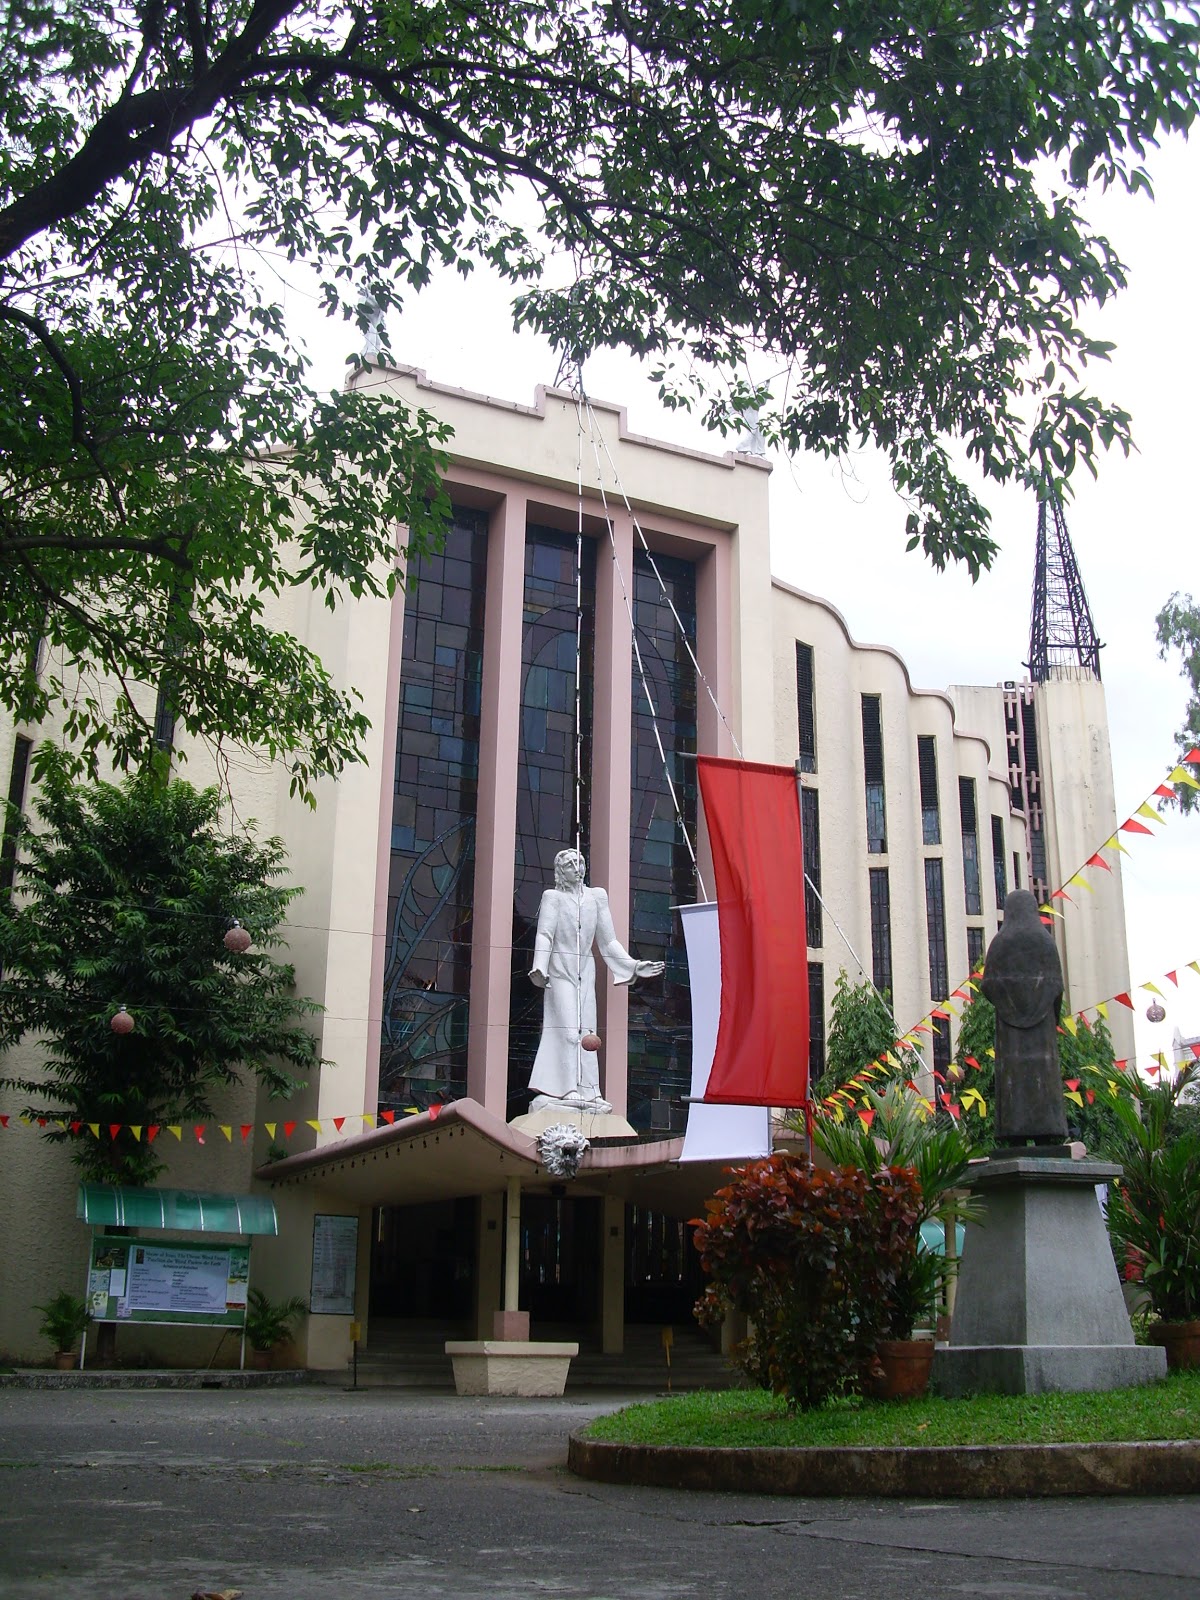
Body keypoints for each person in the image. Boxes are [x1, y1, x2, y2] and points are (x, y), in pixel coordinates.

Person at [527, 849, 664, 1108]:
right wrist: (539, 967)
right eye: (569, 864)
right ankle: (567, 1088)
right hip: (560, 969)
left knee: (588, 1033)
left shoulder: (597, 897)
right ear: (560, 871)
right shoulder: (553, 898)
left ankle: (590, 1090)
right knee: (568, 1030)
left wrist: (633, 965)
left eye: (579, 863)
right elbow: (544, 934)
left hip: (585, 970)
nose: (576, 868)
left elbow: (608, 940)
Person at [980, 889, 1069, 1146]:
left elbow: (988, 984)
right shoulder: (1045, 941)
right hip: (1042, 1035)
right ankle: (1048, 1134)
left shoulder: (1000, 942)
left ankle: (1013, 1134)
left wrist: (1007, 1004)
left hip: (1011, 1037)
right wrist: (1049, 1014)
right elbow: (1056, 986)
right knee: (1045, 1080)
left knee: (1013, 1083)